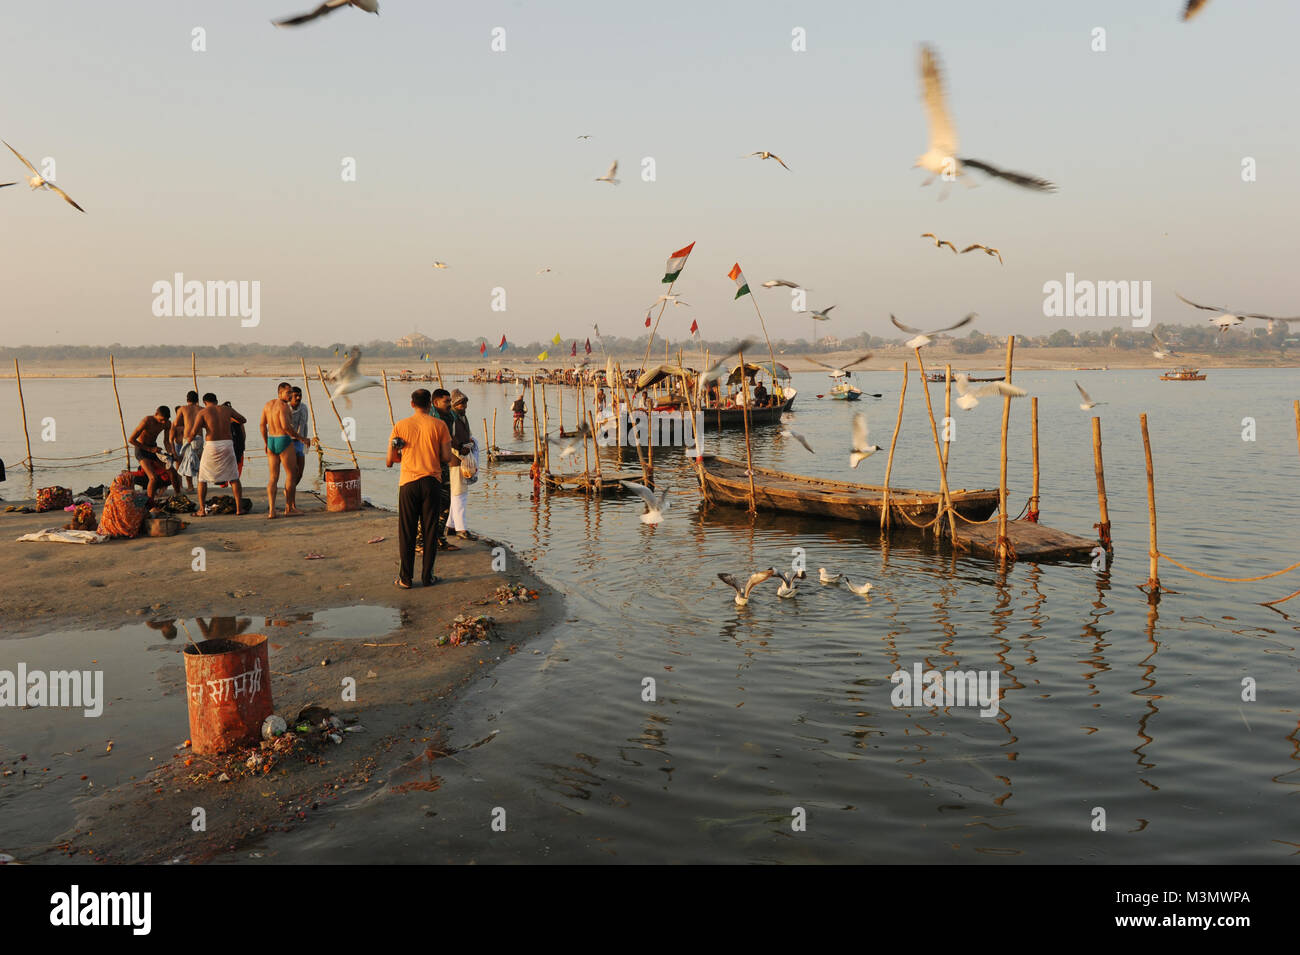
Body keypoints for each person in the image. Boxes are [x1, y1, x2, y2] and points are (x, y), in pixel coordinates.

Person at [386, 388, 453, 588]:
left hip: (408, 482)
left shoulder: (401, 425)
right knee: (430, 530)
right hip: (431, 481)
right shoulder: (440, 425)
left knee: (407, 531)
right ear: (430, 404)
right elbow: (447, 457)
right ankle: (427, 577)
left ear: (412, 404)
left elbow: (390, 460)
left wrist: (403, 454)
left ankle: (406, 579)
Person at [186, 393, 247, 516]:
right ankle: (239, 509)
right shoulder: (227, 409)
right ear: (216, 400)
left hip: (212, 445)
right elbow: (243, 420)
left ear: (204, 402)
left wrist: (187, 442)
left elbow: (193, 432)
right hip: (228, 444)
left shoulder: (203, 412)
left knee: (202, 478)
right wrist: (228, 420)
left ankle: (202, 510)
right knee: (234, 477)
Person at [259, 382, 307, 519]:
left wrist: (265, 442)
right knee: (291, 474)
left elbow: (262, 425)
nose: (291, 395)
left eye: (291, 392)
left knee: (273, 478)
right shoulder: (284, 406)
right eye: (288, 393)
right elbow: (286, 427)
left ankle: (272, 511)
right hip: (283, 440)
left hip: (271, 441)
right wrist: (300, 438)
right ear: (280, 393)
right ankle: (289, 508)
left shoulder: (267, 405)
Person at [129, 406, 181, 503]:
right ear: (156, 414)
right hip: (141, 449)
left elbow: (166, 441)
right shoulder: (147, 421)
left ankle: (178, 496)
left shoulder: (167, 424)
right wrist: (149, 449)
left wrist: (171, 453)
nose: (163, 422)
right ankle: (150, 503)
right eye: (161, 420)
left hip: (154, 449)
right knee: (153, 477)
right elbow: (131, 440)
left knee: (172, 472)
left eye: (165, 420)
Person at [446, 389, 478, 540]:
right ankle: (461, 529)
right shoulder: (451, 419)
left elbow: (467, 435)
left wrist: (470, 443)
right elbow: (449, 439)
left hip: (463, 457)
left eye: (465, 404)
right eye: (461, 404)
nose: (464, 407)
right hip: (455, 459)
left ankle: (451, 526)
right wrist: (461, 448)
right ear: (454, 405)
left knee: (457, 494)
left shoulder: (462, 418)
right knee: (459, 495)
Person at [173, 391, 204, 492]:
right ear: (197, 400)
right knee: (200, 461)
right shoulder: (202, 409)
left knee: (187, 462)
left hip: (188, 438)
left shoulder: (183, 408)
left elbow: (176, 422)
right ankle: (201, 484)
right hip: (199, 437)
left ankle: (190, 486)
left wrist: (187, 422)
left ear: (187, 399)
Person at [220, 400, 246, 486]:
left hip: (226, 447)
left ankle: (224, 484)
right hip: (238, 448)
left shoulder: (221, 420)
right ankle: (233, 483)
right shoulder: (238, 420)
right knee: (236, 468)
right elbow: (243, 435)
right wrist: (243, 446)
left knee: (225, 466)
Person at [288, 386, 310, 485]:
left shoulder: (304, 407)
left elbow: (305, 425)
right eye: (296, 396)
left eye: (300, 395)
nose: (298, 398)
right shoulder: (285, 409)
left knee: (300, 473)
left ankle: (291, 490)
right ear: (290, 397)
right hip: (288, 443)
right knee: (292, 472)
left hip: (301, 443)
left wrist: (306, 442)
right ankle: (289, 491)